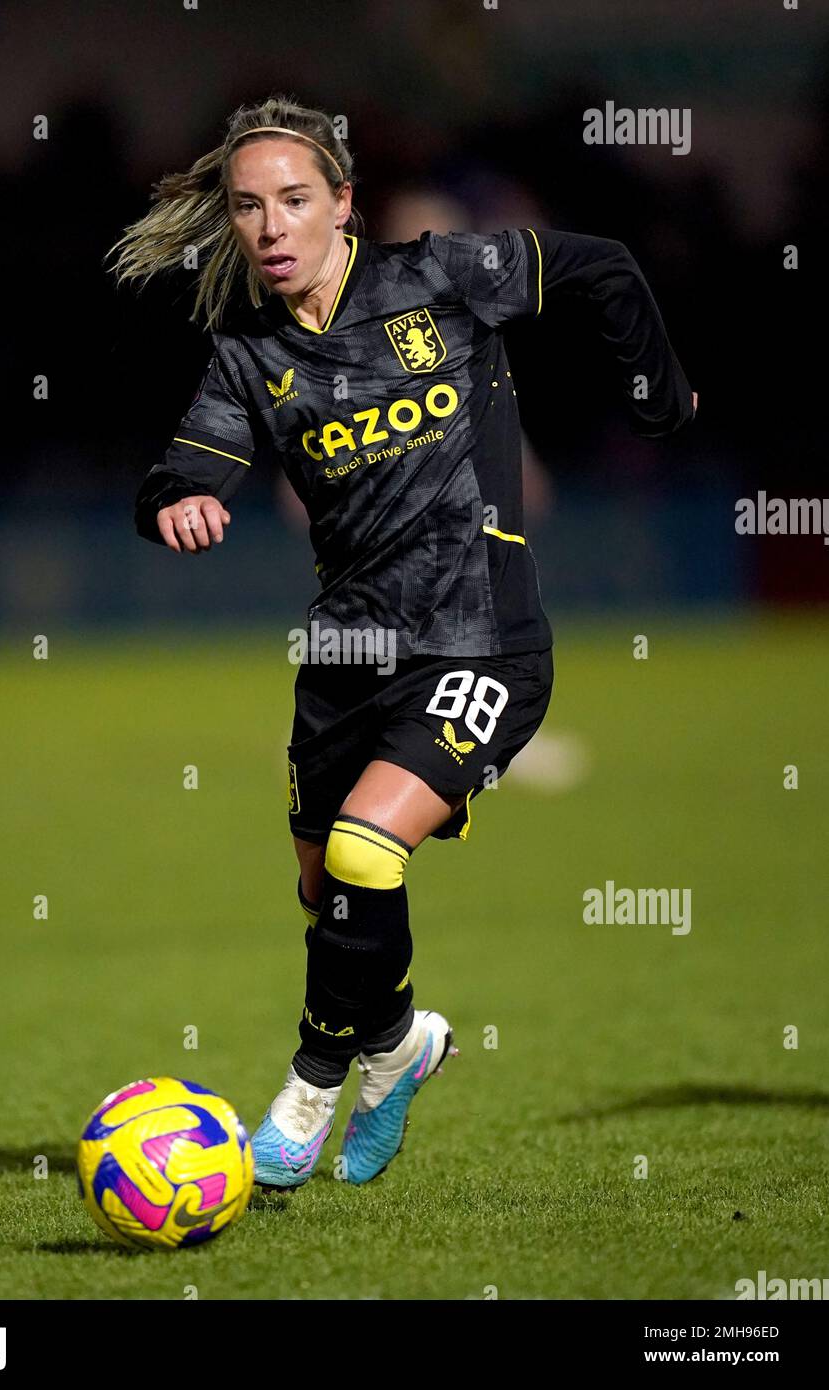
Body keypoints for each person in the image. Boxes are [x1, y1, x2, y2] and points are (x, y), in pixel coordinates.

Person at [109, 95, 696, 1190]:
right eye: (248, 208)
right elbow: (175, 470)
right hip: (342, 660)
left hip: (481, 638)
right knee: (323, 892)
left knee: (363, 852)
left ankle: (316, 1077)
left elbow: (602, 265)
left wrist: (654, 397)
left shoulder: (441, 276)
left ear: (343, 204)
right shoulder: (250, 355)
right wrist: (178, 502)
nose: (271, 227)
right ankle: (400, 1045)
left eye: (293, 200)